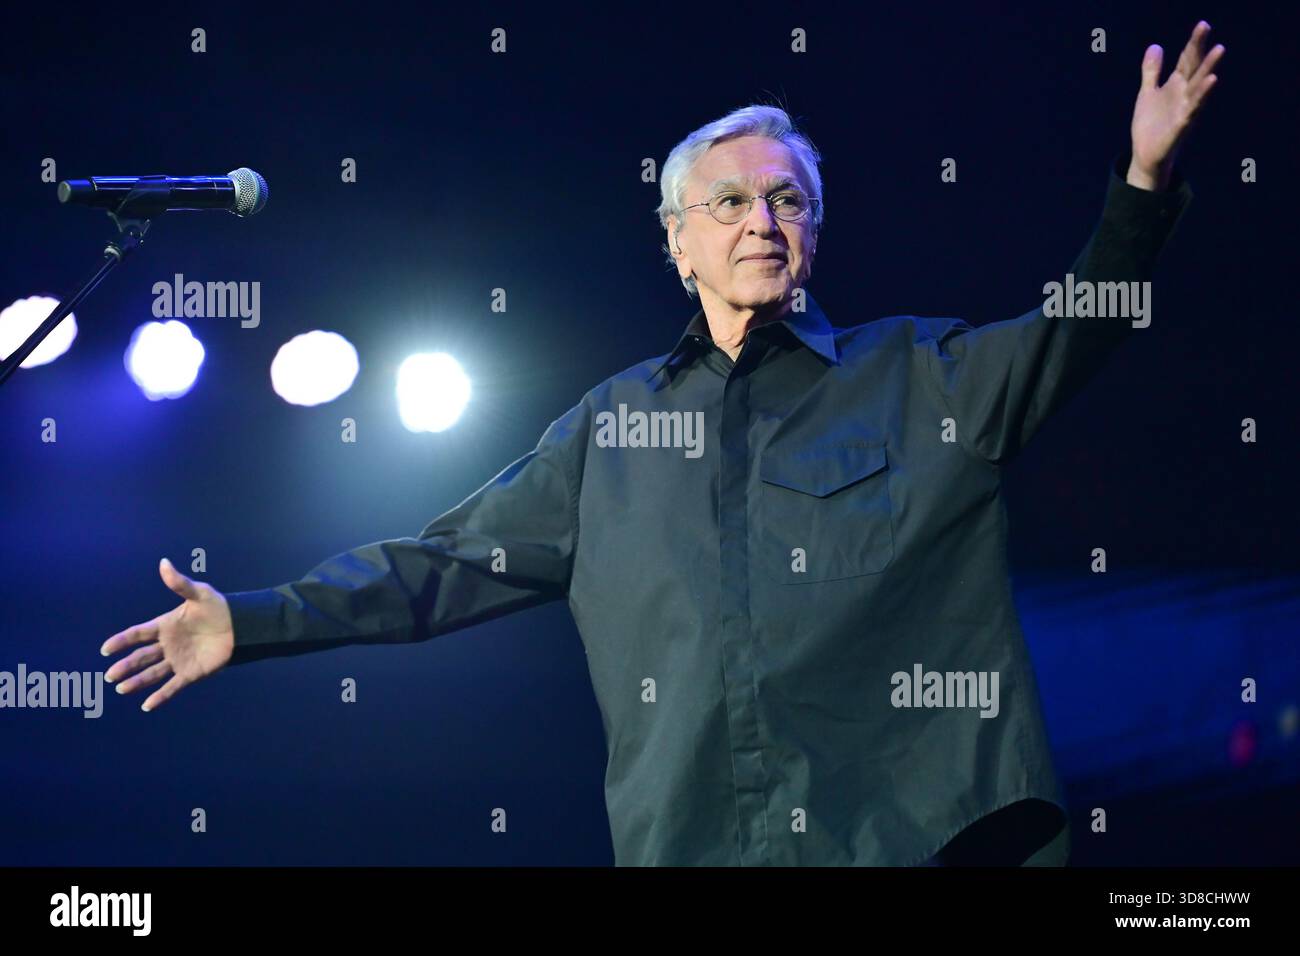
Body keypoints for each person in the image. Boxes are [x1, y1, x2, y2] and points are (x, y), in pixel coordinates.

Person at [101, 22, 1223, 866]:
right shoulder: (609, 433)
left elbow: (1082, 330)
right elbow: (438, 568)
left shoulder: (920, 372)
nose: (761, 221)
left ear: (815, 234)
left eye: (788, 201)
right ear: (677, 243)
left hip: (928, 843)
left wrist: (1142, 184)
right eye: (729, 201)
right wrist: (250, 621)